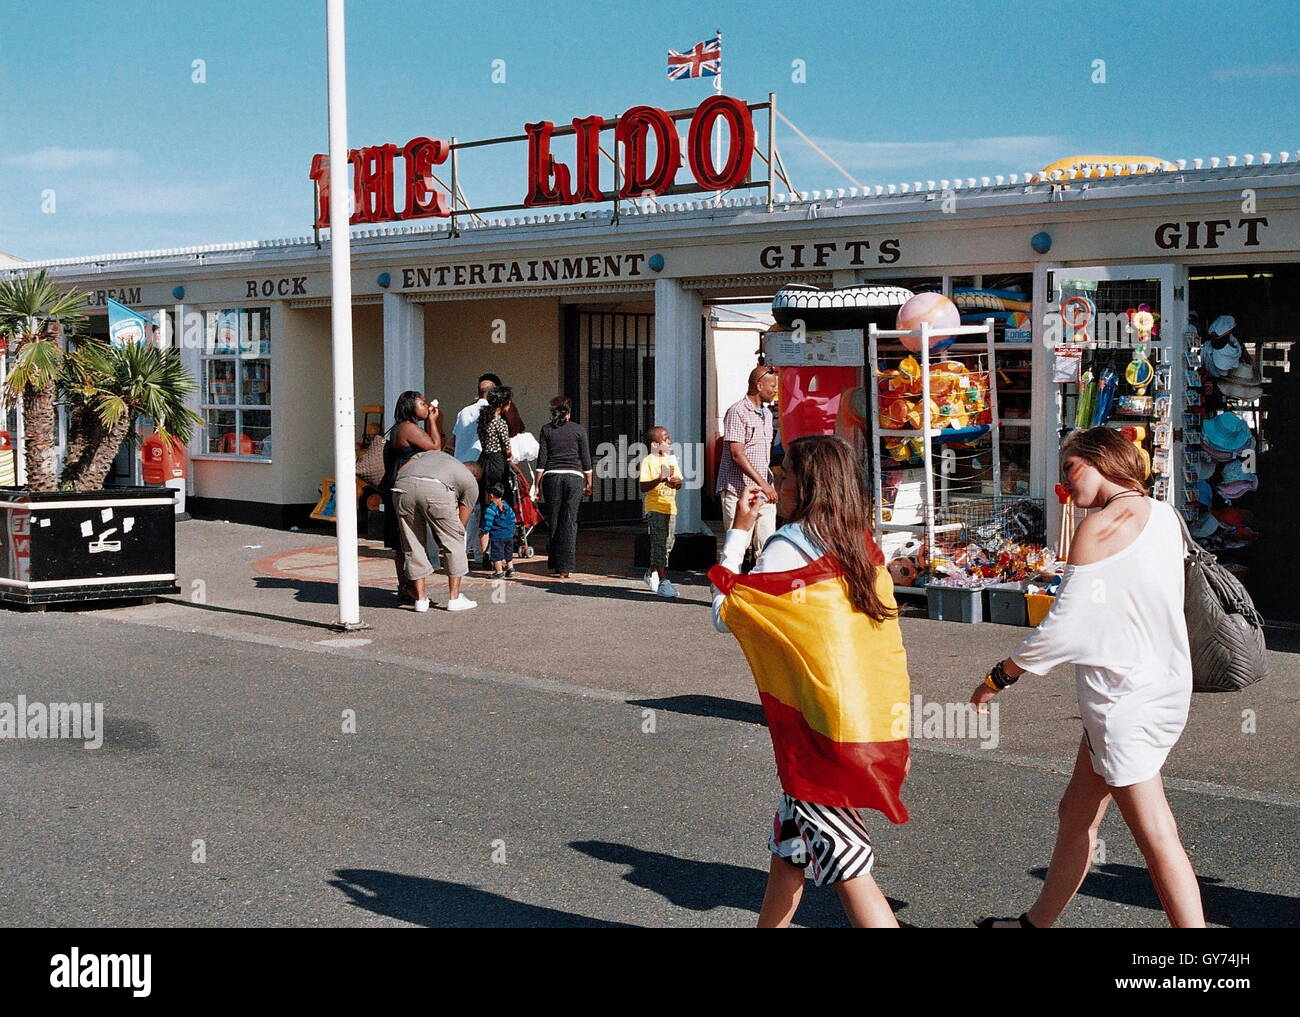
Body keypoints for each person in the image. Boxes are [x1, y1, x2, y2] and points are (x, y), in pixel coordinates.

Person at [970, 427, 1203, 929]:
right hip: (1158, 686)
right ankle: (1035, 923)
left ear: (1102, 461)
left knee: (1159, 840)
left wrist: (998, 676)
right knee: (1077, 814)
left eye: (1070, 469)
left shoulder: (1097, 528)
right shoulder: (1164, 514)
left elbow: (1064, 629)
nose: (1064, 485)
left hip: (1122, 703)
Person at [710, 435, 911, 928]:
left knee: (852, 872)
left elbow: (726, 612)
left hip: (818, 733)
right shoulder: (862, 543)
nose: (778, 482)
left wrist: (738, 532)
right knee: (790, 852)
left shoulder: (788, 546)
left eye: (784, 474)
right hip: (860, 718)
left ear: (808, 484)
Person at [389, 448, 479, 612]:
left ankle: (421, 600)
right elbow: (461, 525)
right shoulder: (471, 482)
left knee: (413, 542)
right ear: (476, 475)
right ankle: (455, 598)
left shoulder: (427, 454)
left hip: (402, 487)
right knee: (454, 540)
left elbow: (401, 471)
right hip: (436, 489)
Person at [380, 391, 444, 602]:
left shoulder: (401, 427)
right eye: (422, 403)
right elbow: (435, 448)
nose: (426, 406)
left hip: (396, 481)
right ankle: (412, 589)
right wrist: (433, 421)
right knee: (408, 537)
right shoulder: (408, 427)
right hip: (404, 483)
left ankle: (405, 586)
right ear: (410, 406)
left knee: (400, 540)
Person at [716, 365, 780, 567]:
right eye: (772, 386)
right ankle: (722, 590)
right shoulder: (737, 411)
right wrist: (764, 483)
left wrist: (771, 483)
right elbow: (737, 454)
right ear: (759, 386)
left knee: (768, 547)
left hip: (763, 491)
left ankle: (762, 594)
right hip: (738, 490)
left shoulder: (768, 415)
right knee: (738, 545)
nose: (775, 390)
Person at [535, 395, 591, 578]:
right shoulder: (578, 430)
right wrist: (589, 481)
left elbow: (542, 459)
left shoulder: (546, 430)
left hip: (552, 477)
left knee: (555, 520)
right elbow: (586, 459)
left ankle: (556, 563)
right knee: (570, 521)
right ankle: (566, 566)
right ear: (569, 412)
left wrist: (536, 484)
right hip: (574, 477)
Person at [638, 425, 682, 598]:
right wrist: (659, 479)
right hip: (655, 506)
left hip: (670, 506)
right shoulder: (649, 461)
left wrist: (673, 481)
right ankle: (664, 582)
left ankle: (651, 571)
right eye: (665, 438)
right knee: (659, 542)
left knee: (669, 543)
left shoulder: (671, 460)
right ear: (655, 444)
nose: (669, 441)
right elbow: (643, 486)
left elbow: (678, 483)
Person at [475, 385, 515, 568]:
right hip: (497, 462)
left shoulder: (483, 418)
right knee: (500, 502)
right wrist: (510, 457)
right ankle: (501, 552)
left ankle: (485, 552)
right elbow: (507, 448)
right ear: (503, 403)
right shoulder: (500, 422)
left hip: (483, 461)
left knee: (485, 505)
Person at [451, 373, 500, 465]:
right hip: (480, 467)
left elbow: (453, 440)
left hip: (460, 465)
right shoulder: (495, 412)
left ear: (479, 393)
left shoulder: (464, 411)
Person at [481, 484, 517, 578]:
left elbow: (487, 524)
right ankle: (510, 568)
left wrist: (483, 531)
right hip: (509, 535)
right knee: (508, 553)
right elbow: (513, 519)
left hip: (497, 536)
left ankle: (499, 571)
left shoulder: (491, 509)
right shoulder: (507, 506)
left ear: (491, 495)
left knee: (496, 554)